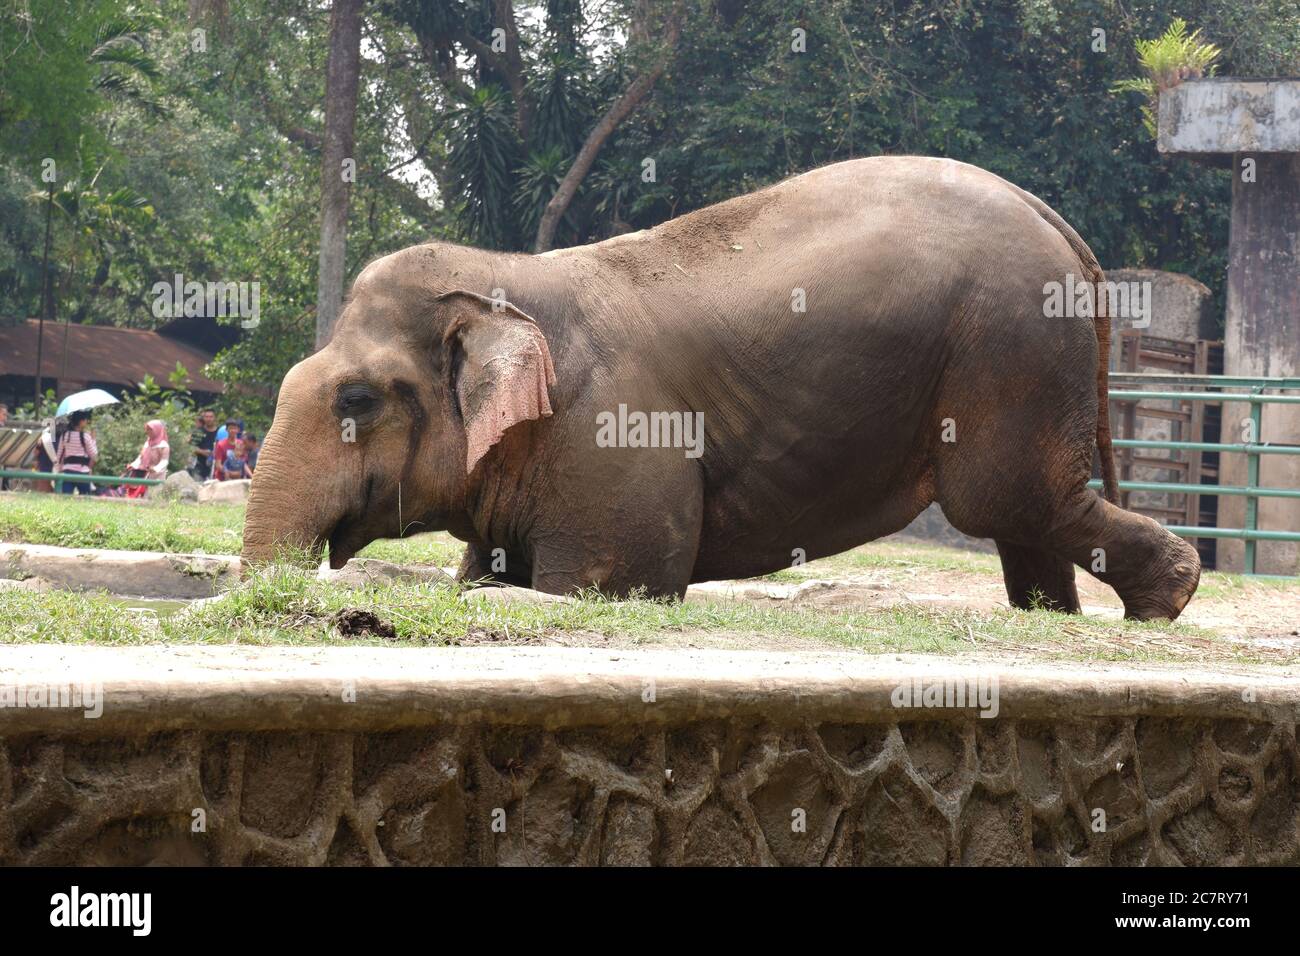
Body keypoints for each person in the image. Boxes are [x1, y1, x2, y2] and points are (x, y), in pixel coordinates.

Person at [55, 410, 97, 494]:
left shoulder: (65, 435)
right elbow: (94, 455)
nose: (87, 422)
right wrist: (93, 439)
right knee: (86, 499)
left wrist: (59, 469)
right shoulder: (86, 436)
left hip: (67, 472)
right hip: (83, 473)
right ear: (81, 421)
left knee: (66, 499)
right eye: (85, 420)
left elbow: (59, 455)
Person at [191, 409, 218, 480]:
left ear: (215, 418)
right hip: (200, 468)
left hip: (216, 469)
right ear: (203, 418)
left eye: (211, 417)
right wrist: (202, 452)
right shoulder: (198, 432)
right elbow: (191, 447)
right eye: (206, 417)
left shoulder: (219, 431)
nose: (209, 419)